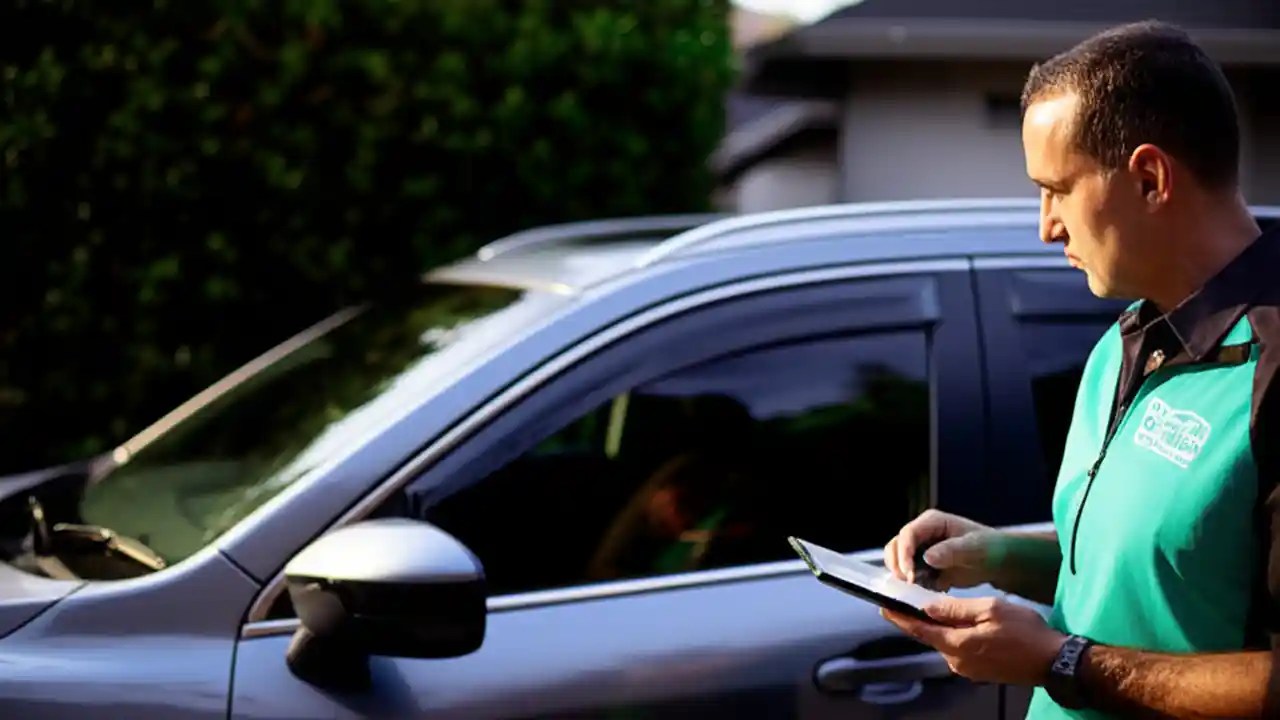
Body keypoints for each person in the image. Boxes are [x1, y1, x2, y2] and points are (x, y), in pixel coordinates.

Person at [879, 20, 1280, 719]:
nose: (1046, 225)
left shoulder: (1273, 368)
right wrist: (995, 554)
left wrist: (1057, 660)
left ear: (1151, 178)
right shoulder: (1124, 337)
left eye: (1056, 188)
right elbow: (1161, 564)